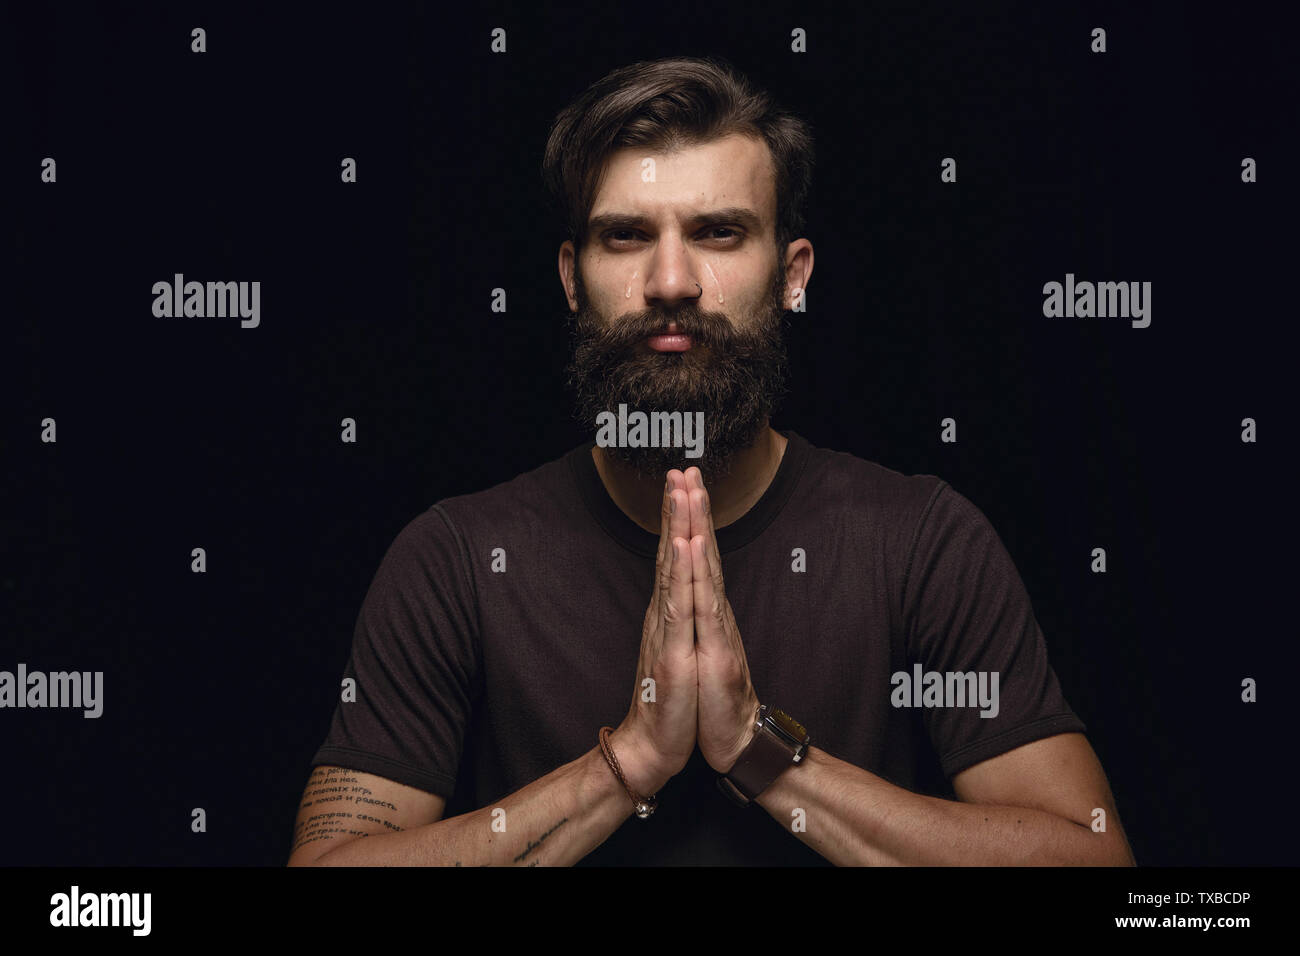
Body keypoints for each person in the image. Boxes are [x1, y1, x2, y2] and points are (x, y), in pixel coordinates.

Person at [287, 56, 1134, 866]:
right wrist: (628, 763)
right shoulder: (456, 562)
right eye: (624, 236)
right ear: (571, 279)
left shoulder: (923, 542)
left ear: (792, 274)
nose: (670, 280)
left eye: (718, 232)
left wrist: (755, 751)